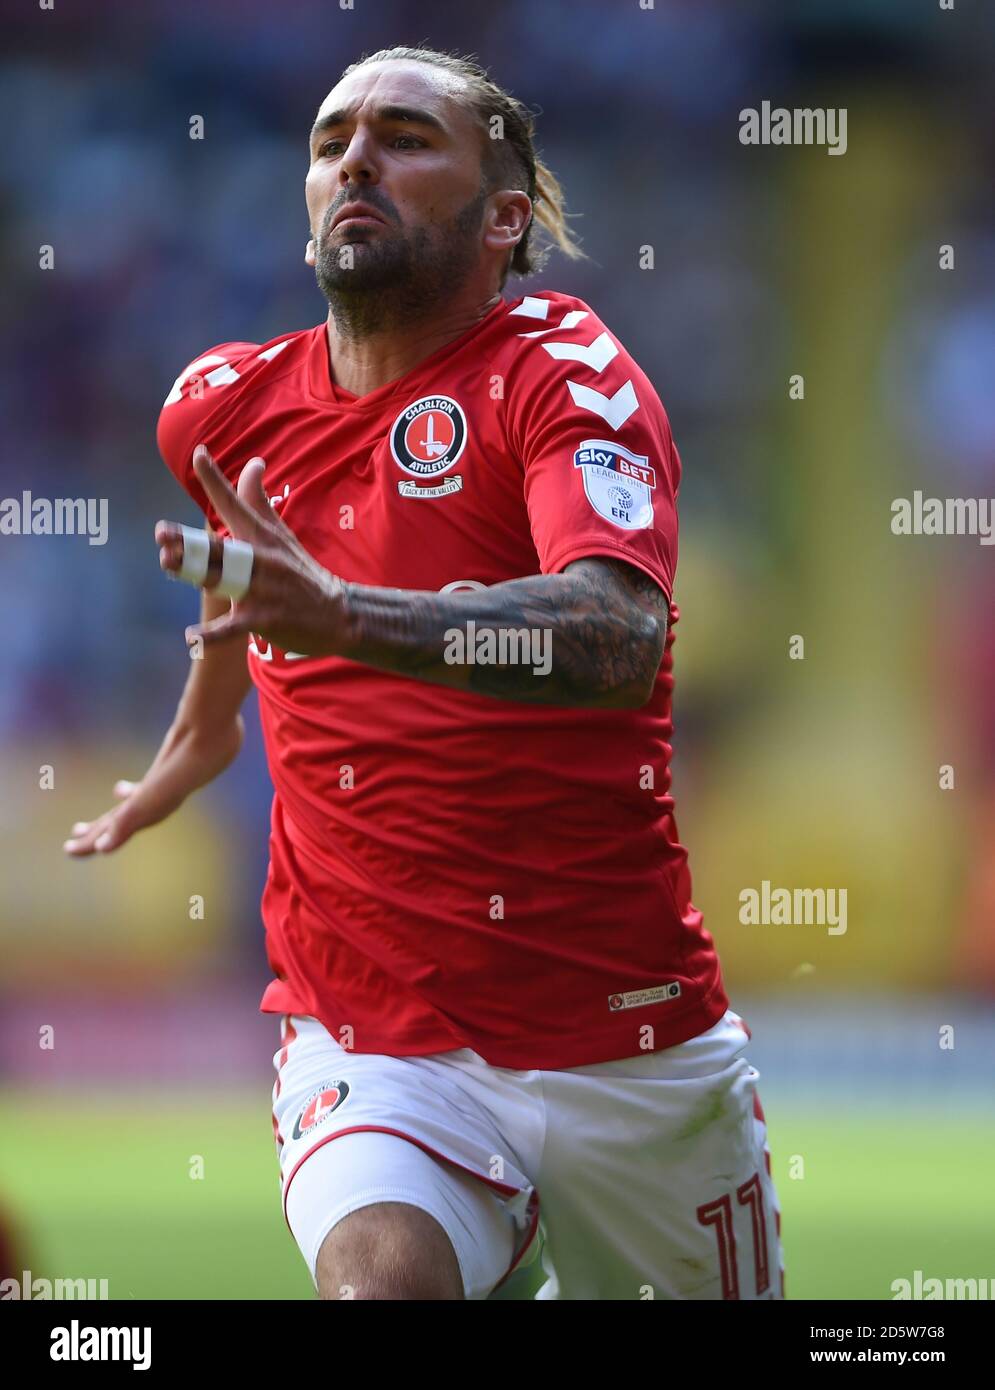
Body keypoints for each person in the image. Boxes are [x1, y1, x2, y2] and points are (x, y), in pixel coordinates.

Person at [64, 44, 782, 1301]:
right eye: (331, 138)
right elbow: (257, 576)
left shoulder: (561, 375)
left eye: (404, 137)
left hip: (619, 1031)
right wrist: (205, 727)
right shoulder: (217, 410)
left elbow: (616, 637)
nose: (353, 157)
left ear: (504, 218)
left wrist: (350, 617)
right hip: (372, 1029)